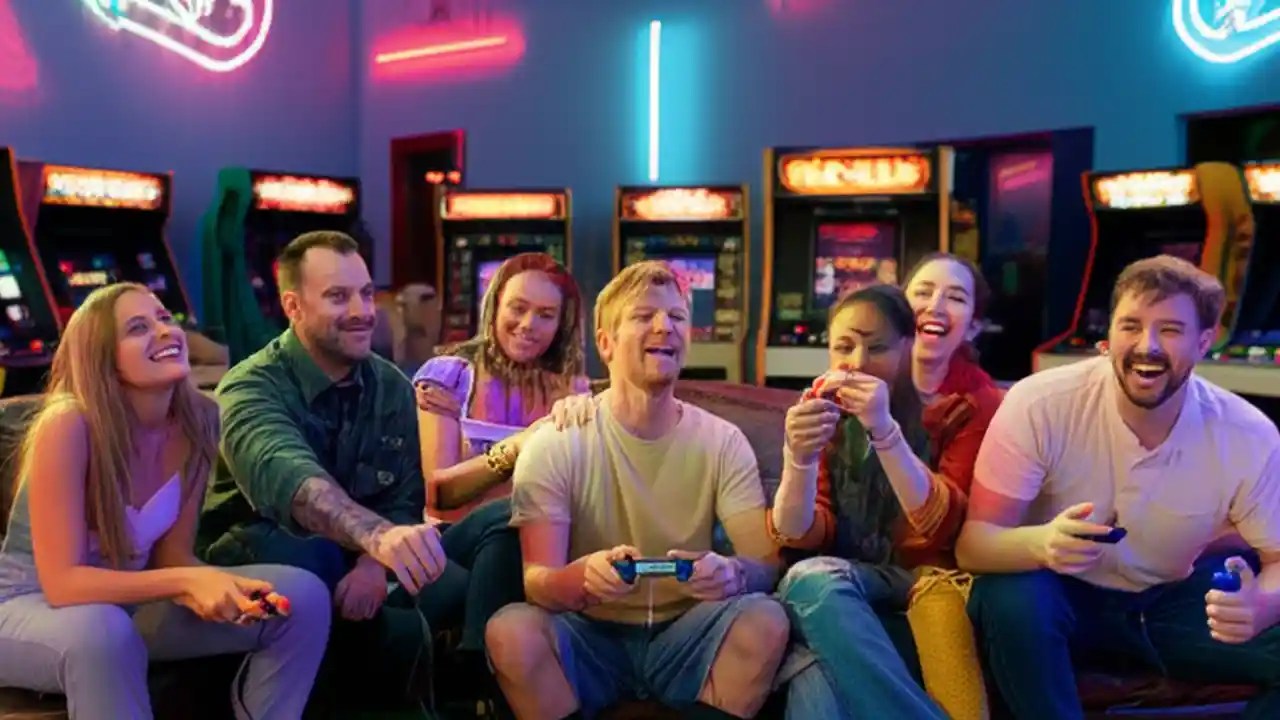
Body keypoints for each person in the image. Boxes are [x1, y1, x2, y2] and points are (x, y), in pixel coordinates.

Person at [197, 231, 522, 711]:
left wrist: (373, 565)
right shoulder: (250, 388)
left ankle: (475, 694)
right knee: (317, 559)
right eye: (338, 296)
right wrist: (378, 541)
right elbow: (295, 484)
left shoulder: (389, 384)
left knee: (478, 549)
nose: (362, 311)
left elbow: (405, 500)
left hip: (362, 557)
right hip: (258, 553)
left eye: (366, 294)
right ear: (293, 306)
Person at [957, 255, 1280, 720]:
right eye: (1131, 326)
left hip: (1173, 601)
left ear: (1204, 342)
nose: (1147, 346)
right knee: (1009, 598)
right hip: (1063, 597)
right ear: (1108, 335)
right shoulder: (1039, 403)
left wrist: (1264, 604)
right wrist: (1042, 544)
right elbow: (974, 545)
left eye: (1170, 330)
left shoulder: (1248, 433)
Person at [0, 283, 329, 720]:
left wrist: (216, 586)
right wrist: (186, 582)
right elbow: (64, 584)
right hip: (27, 606)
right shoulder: (67, 424)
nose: (164, 332)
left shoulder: (200, 419)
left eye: (164, 318)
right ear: (103, 357)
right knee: (104, 632)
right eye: (138, 328)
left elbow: (172, 557)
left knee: (302, 598)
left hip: (126, 605)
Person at [484, 261, 790, 720]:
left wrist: (733, 573)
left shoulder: (723, 441)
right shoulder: (555, 442)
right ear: (605, 343)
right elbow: (538, 584)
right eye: (645, 316)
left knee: (766, 619)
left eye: (677, 317)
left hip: (688, 631)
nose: (665, 327)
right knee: (511, 632)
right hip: (589, 632)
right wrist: (580, 579)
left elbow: (764, 565)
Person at [771, 266, 1001, 718]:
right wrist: (797, 458)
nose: (857, 362)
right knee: (812, 671)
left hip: (919, 581)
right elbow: (797, 533)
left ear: (907, 349)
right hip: (843, 588)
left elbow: (940, 528)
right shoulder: (823, 411)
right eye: (843, 347)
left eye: (876, 348)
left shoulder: (952, 412)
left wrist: (883, 428)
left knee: (810, 586)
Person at [413, 252, 591, 525]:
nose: (528, 324)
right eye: (518, 308)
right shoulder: (450, 378)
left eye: (546, 315)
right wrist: (517, 449)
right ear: (495, 307)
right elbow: (440, 496)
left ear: (561, 325)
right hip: (458, 539)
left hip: (542, 539)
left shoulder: (576, 393)